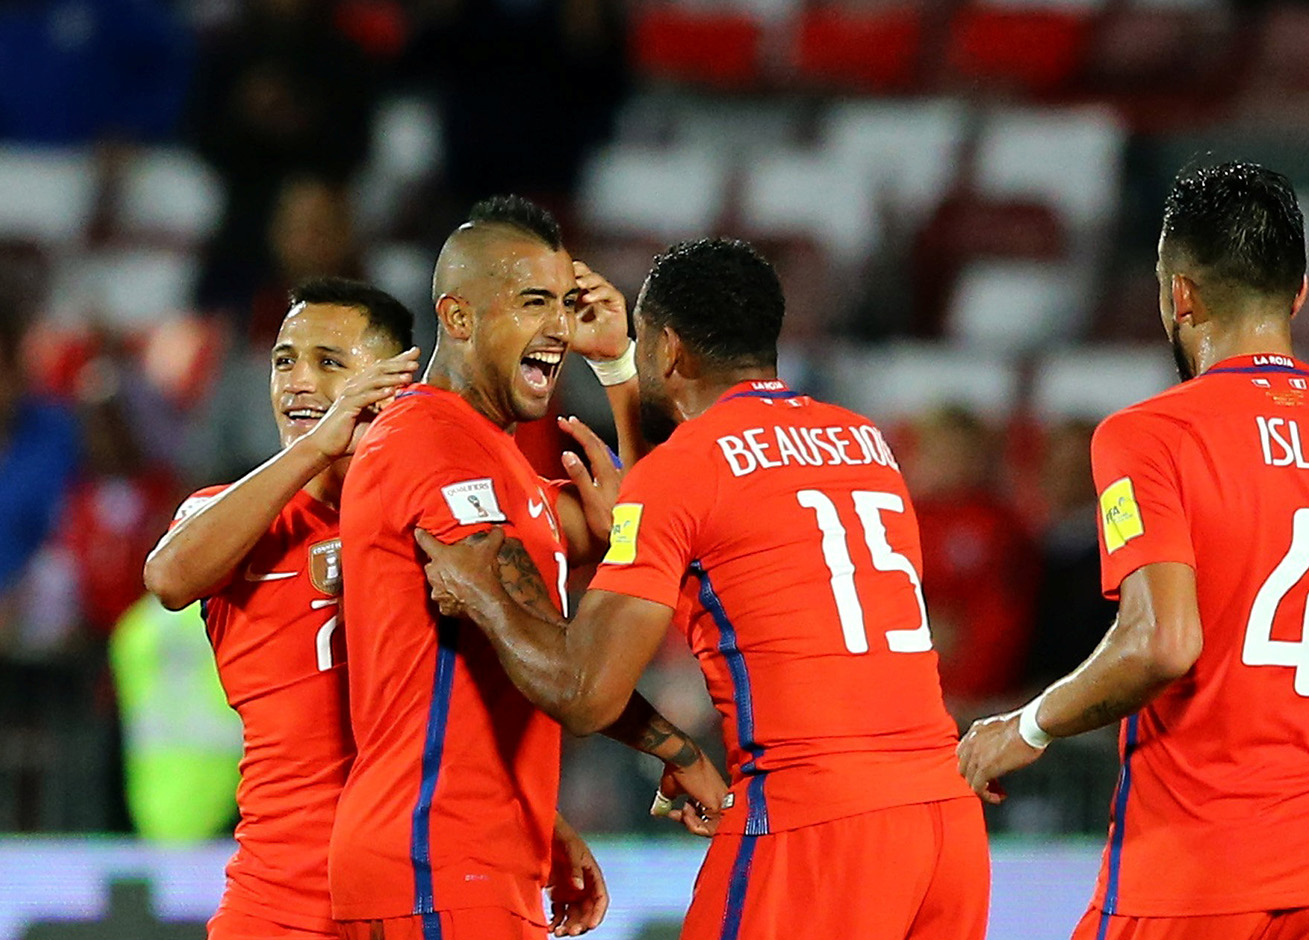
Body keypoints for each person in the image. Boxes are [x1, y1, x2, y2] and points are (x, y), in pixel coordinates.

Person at [957, 161, 1309, 940]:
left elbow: (1160, 642)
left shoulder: (1148, 438)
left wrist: (1026, 726)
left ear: (1180, 296)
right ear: (1299, 293)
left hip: (1186, 880)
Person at [414, 237, 990, 940]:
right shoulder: (866, 443)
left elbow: (585, 692)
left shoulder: (685, 473)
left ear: (669, 350)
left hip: (813, 826)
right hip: (945, 823)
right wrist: (619, 369)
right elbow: (717, 510)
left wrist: (486, 596)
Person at [330, 197, 723, 940]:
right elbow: (568, 675)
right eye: (533, 302)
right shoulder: (427, 448)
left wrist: (618, 370)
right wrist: (674, 747)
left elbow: (644, 534)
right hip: (432, 861)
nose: (558, 329)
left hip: (479, 860)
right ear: (458, 318)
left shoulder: (499, 466)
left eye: (566, 306)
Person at [143, 277, 425, 939]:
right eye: (284, 360)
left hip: (416, 897)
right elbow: (168, 576)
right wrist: (315, 448)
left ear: (393, 386)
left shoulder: (428, 518)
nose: (298, 381)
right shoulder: (234, 517)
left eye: (330, 362)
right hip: (280, 906)